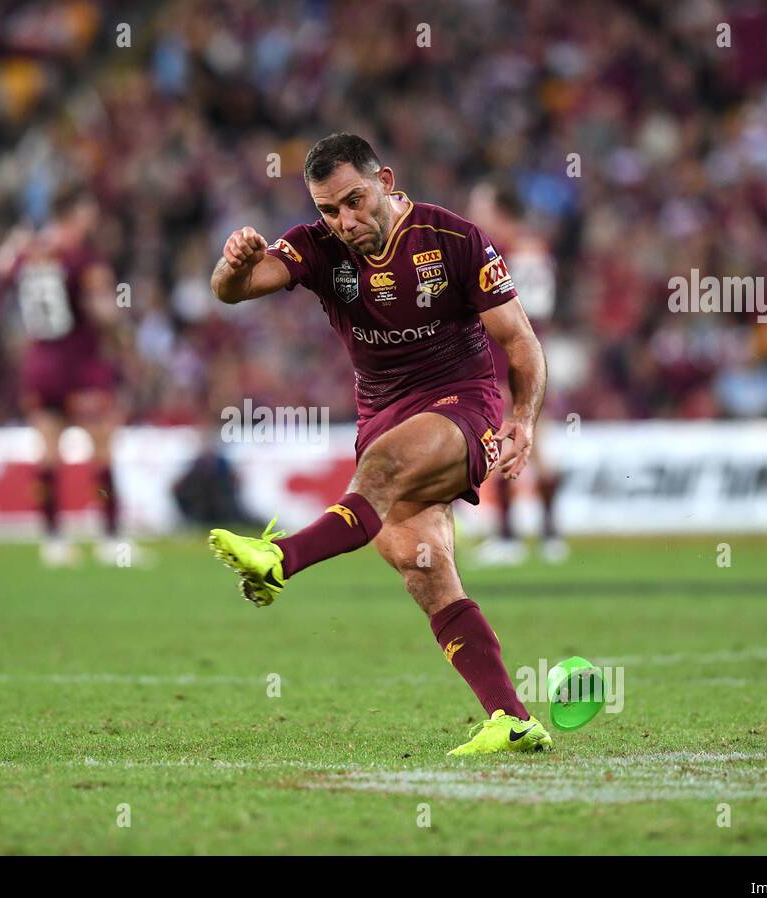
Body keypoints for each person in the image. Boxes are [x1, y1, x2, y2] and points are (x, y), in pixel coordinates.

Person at [207, 133, 552, 755]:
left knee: (381, 468)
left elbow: (521, 343)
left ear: (384, 180)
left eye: (354, 201)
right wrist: (232, 263)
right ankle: (512, 718)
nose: (344, 221)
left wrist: (523, 419)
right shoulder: (318, 248)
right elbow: (233, 291)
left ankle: (280, 559)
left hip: (461, 405)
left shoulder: (455, 240)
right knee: (428, 572)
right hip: (381, 416)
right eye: (328, 211)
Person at [0, 187, 127, 566]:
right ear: (76, 213)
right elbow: (102, 310)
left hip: (39, 363)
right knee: (101, 449)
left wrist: (13, 246)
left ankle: (53, 541)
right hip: (80, 363)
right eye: (89, 210)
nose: (94, 218)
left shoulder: (30, 252)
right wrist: (118, 324)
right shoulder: (81, 256)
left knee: (48, 454)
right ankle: (110, 542)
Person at [466, 182, 569, 566]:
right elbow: (541, 309)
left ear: (499, 212)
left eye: (480, 206)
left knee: (502, 442)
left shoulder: (501, 253)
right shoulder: (536, 249)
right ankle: (550, 534)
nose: (474, 213)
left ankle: (508, 536)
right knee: (538, 443)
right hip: (535, 356)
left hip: (503, 359)